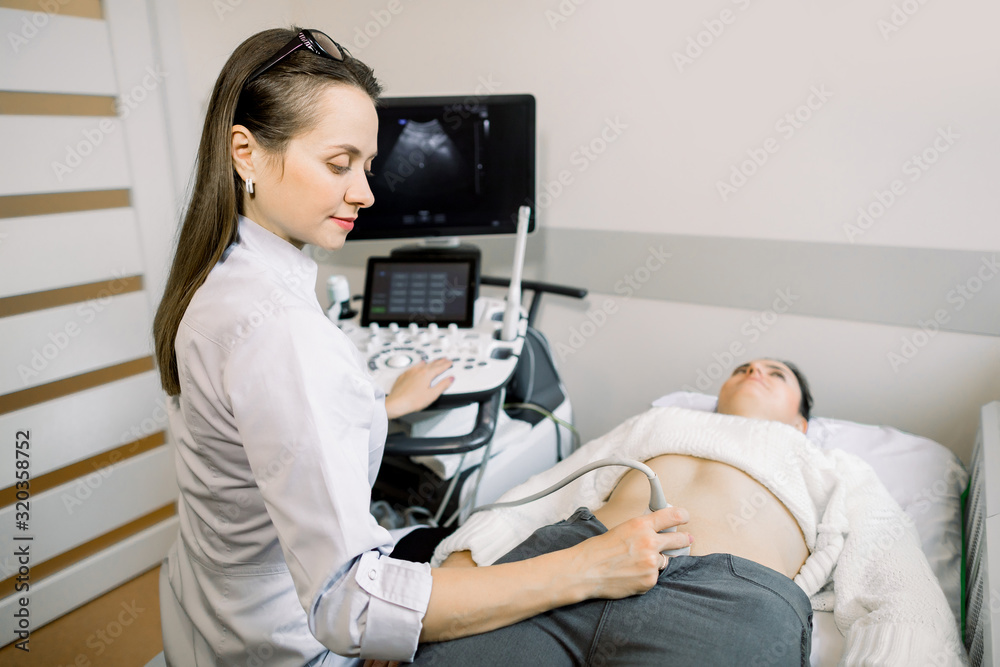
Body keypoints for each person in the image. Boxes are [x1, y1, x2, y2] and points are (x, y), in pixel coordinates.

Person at [152, 27, 690, 666]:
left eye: (368, 167)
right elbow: (350, 605)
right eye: (338, 163)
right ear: (245, 152)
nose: (366, 193)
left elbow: (264, 436)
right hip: (289, 642)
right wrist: (589, 569)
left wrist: (380, 406)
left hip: (213, 614)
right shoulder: (282, 334)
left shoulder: (220, 282)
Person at [414, 359, 967, 666]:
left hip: (724, 601)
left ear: (801, 420)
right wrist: (450, 579)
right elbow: (541, 493)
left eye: (776, 374)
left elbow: (897, 585)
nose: (755, 371)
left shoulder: (828, 462)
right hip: (569, 566)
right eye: (743, 366)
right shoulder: (653, 425)